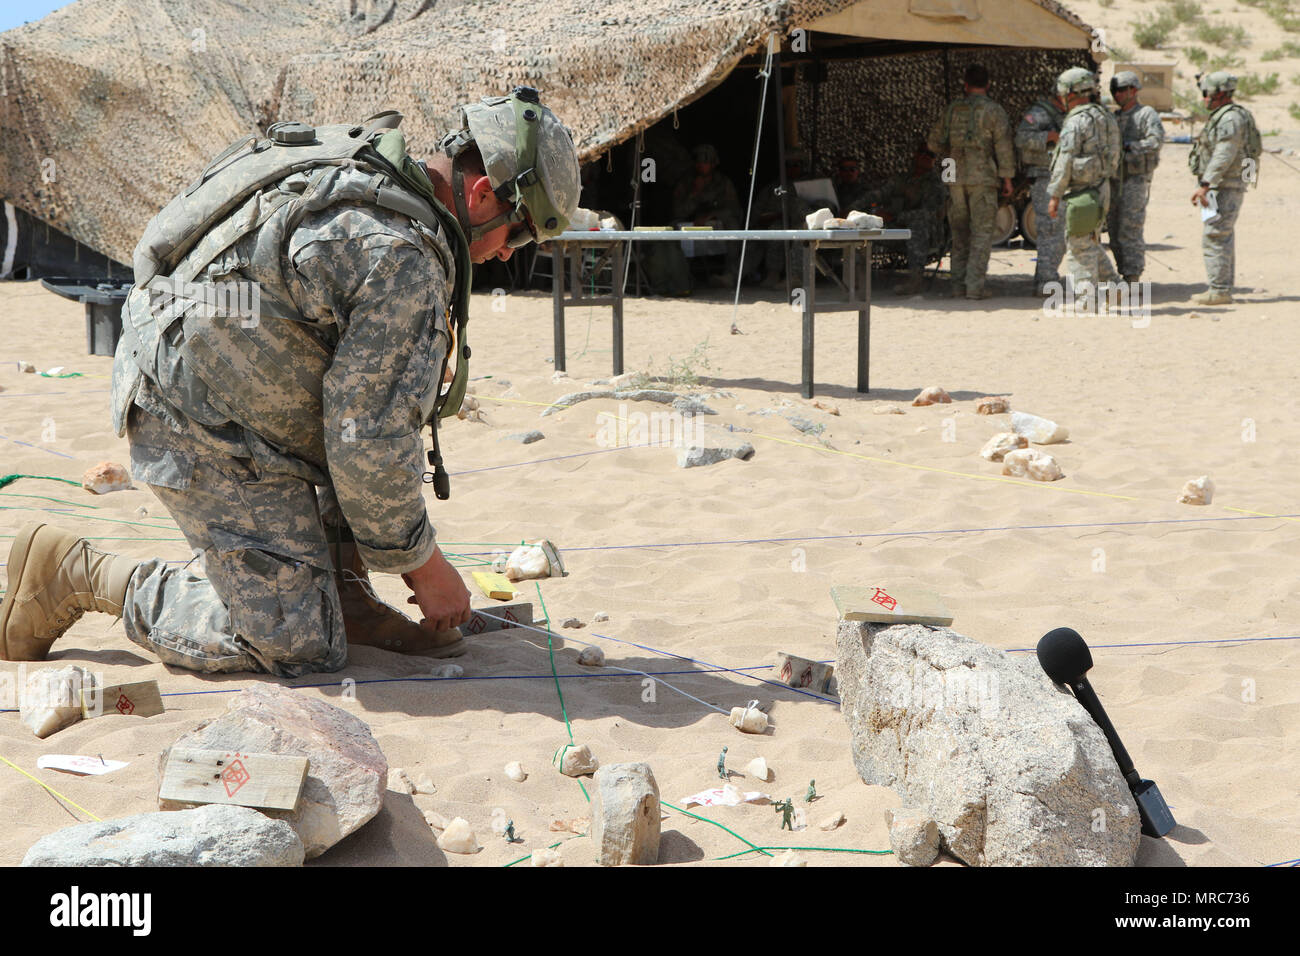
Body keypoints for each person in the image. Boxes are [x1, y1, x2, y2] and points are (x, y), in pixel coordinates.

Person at [0, 87, 581, 676]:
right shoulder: (401, 256)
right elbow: (367, 444)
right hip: (194, 419)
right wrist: (427, 569)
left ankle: (348, 603)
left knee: (358, 442)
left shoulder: (367, 170)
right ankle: (80, 572)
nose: (510, 255)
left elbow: (350, 403)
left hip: (224, 386)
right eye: (519, 233)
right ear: (483, 194)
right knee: (292, 643)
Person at [926, 63, 1015, 300]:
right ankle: (974, 287)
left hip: (953, 172)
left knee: (959, 232)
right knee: (981, 233)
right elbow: (1003, 147)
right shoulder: (994, 111)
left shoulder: (952, 109)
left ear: (965, 85)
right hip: (982, 176)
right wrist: (1007, 178)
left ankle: (957, 286)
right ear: (987, 85)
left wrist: (952, 153)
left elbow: (933, 143)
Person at [1047, 68, 1121, 303]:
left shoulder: (1077, 120)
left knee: (1078, 245)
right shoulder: (1106, 116)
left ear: (1070, 93)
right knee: (1089, 240)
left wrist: (1055, 194)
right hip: (1102, 189)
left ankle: (1087, 299)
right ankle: (1115, 288)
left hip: (1082, 193)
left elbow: (1065, 159)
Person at [1189, 71, 1259, 305]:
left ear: (1219, 94)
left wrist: (1205, 184)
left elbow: (1224, 154)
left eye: (1206, 93)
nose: (1204, 99)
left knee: (1215, 234)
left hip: (1223, 186)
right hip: (1221, 185)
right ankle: (1221, 287)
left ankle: (1219, 290)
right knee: (1220, 234)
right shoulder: (1229, 116)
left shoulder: (1229, 119)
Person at [862, 144, 946, 295]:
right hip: (897, 227)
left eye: (930, 154)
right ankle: (856, 278)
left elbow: (929, 214)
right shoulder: (902, 179)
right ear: (915, 154)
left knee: (918, 225)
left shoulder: (935, 185)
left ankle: (915, 281)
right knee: (863, 222)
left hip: (928, 234)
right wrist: (853, 208)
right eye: (922, 152)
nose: (925, 156)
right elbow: (879, 194)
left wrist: (895, 216)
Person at [1015, 88, 1068, 295]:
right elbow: (1021, 138)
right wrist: (1049, 136)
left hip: (1059, 177)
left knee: (1054, 231)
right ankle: (1046, 282)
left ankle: (1044, 278)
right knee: (1051, 230)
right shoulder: (1039, 113)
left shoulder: (1069, 115)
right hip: (1044, 177)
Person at [672, 143, 743, 286]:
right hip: (690, 224)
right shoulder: (686, 182)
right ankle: (681, 276)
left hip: (716, 223)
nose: (701, 166)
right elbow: (678, 211)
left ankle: (730, 274)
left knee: (733, 224)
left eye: (705, 162)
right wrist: (694, 193)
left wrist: (711, 215)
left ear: (713, 164)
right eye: (699, 162)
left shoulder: (723, 182)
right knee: (671, 228)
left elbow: (734, 209)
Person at [754, 151, 815, 288]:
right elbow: (758, 213)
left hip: (806, 222)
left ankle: (795, 277)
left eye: (796, 165)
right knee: (775, 230)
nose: (791, 168)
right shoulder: (774, 188)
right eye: (787, 165)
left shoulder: (813, 184)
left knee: (801, 233)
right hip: (783, 222)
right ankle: (773, 273)